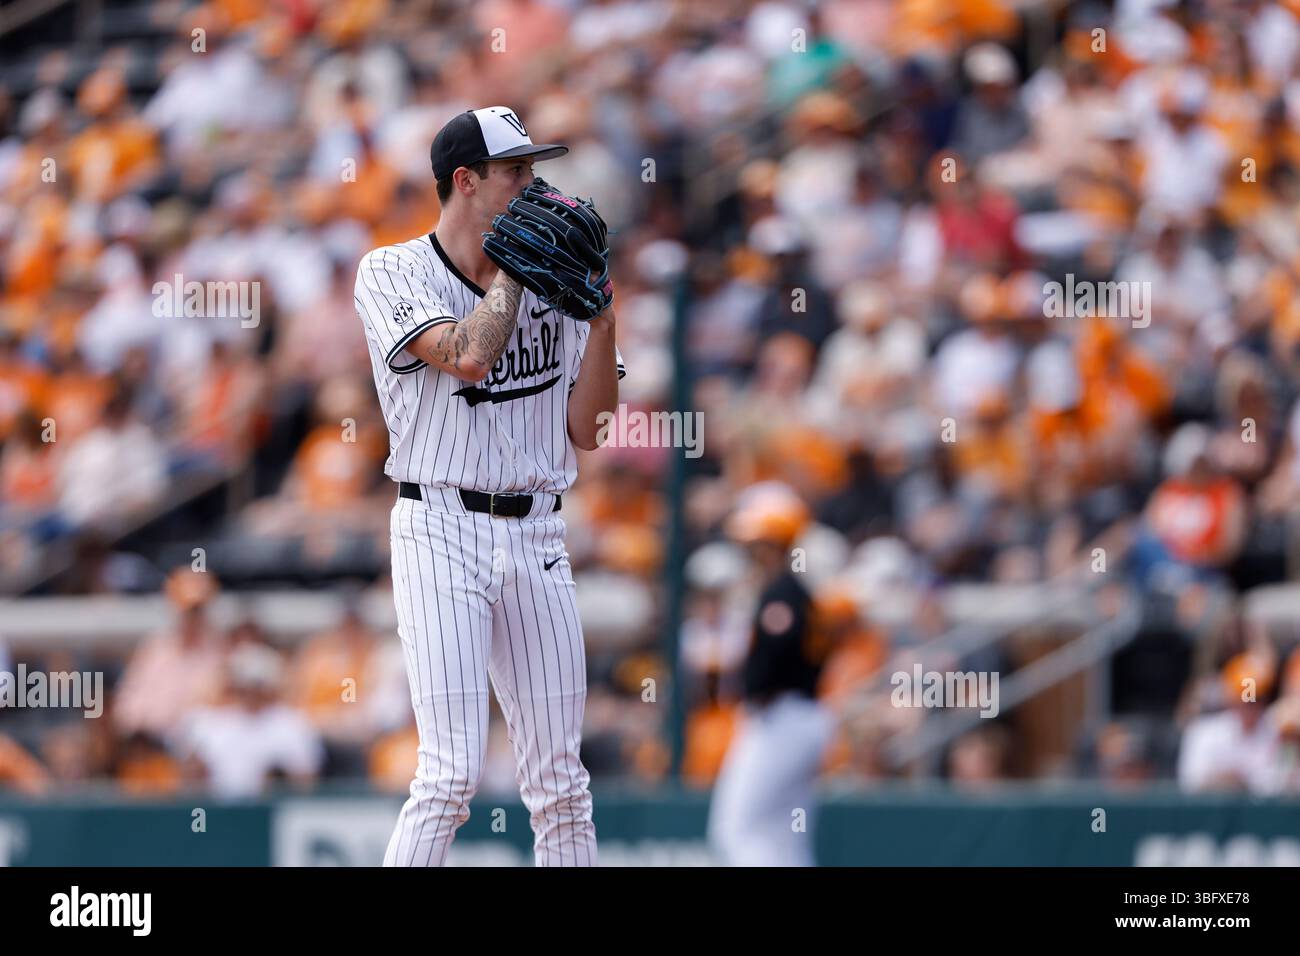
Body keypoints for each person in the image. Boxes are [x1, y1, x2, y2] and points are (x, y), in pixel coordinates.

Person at [354, 106, 623, 867]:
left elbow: (592, 429)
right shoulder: (391, 271)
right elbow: (469, 355)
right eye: (516, 173)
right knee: (449, 776)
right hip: (440, 526)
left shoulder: (552, 283)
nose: (533, 188)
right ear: (465, 182)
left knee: (562, 782)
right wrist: (514, 268)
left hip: (537, 530)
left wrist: (603, 324)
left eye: (535, 171)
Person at [707, 482, 836, 866]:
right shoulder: (795, 590)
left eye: (756, 540)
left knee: (737, 829)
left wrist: (749, 689)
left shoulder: (782, 593)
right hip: (801, 716)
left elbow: (772, 664)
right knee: (783, 836)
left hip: (781, 718)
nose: (749, 550)